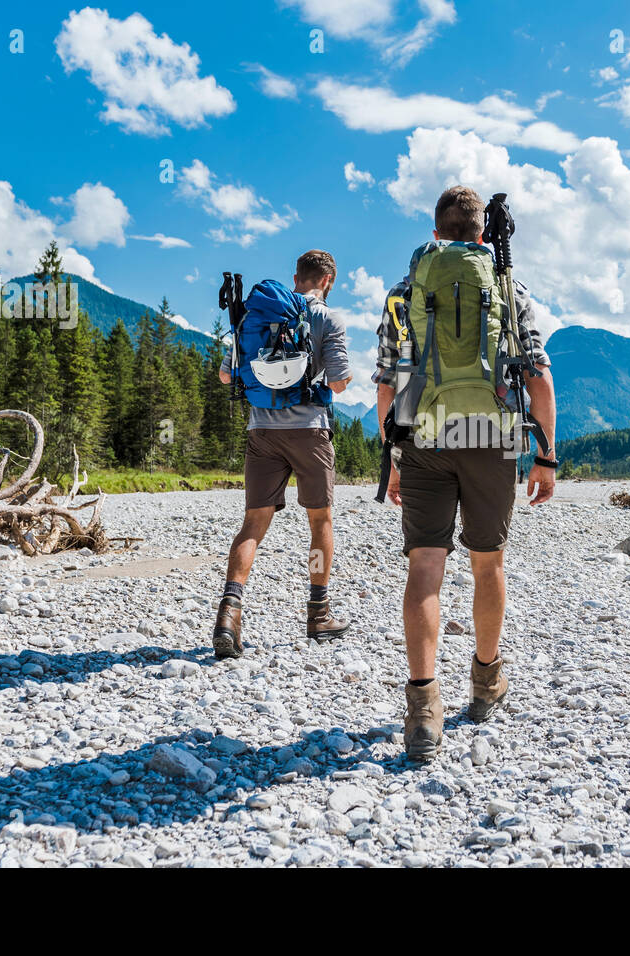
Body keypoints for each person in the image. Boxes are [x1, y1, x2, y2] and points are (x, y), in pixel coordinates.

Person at [373, 185, 558, 761]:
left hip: (427, 437)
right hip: (493, 440)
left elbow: (386, 382)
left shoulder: (404, 291)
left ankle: (423, 709)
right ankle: (484, 683)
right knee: (488, 562)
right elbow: (537, 375)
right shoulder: (507, 285)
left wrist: (396, 454)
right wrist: (546, 455)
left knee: (425, 564)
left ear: (435, 232)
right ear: (482, 233)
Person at [213, 249, 353, 657]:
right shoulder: (328, 319)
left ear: (297, 277)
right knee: (320, 522)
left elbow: (226, 376)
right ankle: (318, 612)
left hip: (262, 431)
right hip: (309, 432)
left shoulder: (254, 314)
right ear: (328, 280)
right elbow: (341, 382)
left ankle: (229, 612)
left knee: (253, 525)